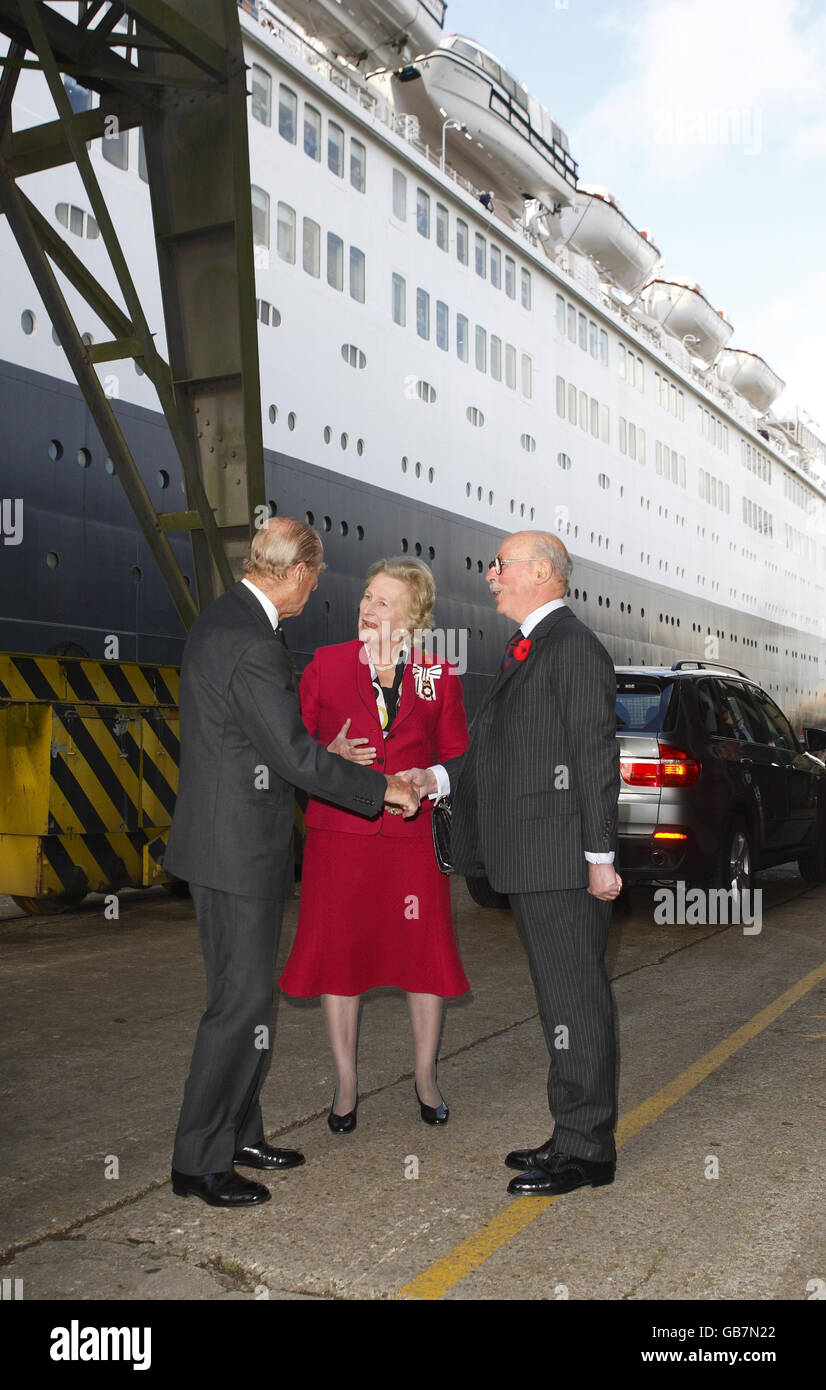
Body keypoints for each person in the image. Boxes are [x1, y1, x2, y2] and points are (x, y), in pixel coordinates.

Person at [164, 519, 419, 1208]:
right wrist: (382, 788)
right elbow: (290, 757)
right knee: (239, 1003)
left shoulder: (225, 620)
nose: (320, 586)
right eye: (320, 572)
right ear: (300, 573)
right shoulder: (254, 642)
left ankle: (240, 1130)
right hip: (236, 850)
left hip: (224, 842)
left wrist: (317, 750)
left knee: (244, 998)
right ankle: (200, 1161)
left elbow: (262, 742)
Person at [407, 531, 622, 1198]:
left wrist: (598, 859)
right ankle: (571, 1130)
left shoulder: (572, 648)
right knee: (560, 1000)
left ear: (540, 573)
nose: (490, 575)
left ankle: (588, 1150)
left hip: (559, 862)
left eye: (501, 565)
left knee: (575, 1001)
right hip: (534, 860)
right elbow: (499, 751)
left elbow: (594, 759)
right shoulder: (531, 648)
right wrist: (437, 777)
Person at [279, 556, 469, 1130]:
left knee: (424, 963)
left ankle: (425, 1078)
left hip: (412, 842)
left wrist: (428, 777)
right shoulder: (326, 665)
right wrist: (329, 755)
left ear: (412, 617)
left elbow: (458, 755)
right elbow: (294, 747)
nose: (366, 608)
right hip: (341, 839)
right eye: (366, 597)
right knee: (339, 961)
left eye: (382, 602)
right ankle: (346, 1085)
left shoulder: (439, 675)